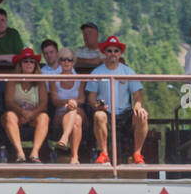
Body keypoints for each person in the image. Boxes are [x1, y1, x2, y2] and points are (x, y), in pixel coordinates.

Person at [86, 35, 148, 165]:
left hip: (125, 113)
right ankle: (104, 154)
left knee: (142, 116)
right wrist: (97, 105)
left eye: (116, 51)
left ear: (120, 53)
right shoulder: (96, 73)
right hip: (106, 112)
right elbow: (91, 97)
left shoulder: (128, 72)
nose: (112, 54)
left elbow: (137, 95)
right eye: (109, 51)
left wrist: (138, 106)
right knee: (98, 116)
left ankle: (137, 154)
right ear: (104, 53)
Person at [2, 47, 50, 163]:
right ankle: (20, 153)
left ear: (35, 65)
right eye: (26, 61)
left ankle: (35, 153)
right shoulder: (12, 79)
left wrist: (31, 115)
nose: (29, 64)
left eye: (32, 62)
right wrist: (23, 112)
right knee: (9, 116)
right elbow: (9, 102)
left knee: (44, 117)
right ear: (20, 64)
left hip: (34, 114)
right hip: (17, 114)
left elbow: (44, 104)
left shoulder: (40, 81)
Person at [48, 48, 85, 164]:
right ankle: (74, 157)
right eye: (63, 59)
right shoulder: (54, 80)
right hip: (60, 114)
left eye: (70, 60)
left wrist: (73, 103)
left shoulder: (80, 79)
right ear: (59, 62)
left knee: (75, 112)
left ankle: (64, 138)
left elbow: (82, 99)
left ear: (74, 62)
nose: (66, 62)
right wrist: (69, 102)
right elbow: (54, 101)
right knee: (76, 119)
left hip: (79, 109)